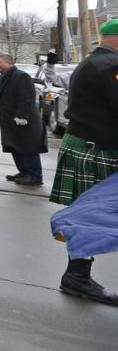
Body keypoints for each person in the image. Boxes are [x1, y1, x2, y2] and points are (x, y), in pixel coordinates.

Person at [49, 17, 118, 304]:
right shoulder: (109, 66)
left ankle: (76, 276)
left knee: (91, 216)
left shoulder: (94, 62)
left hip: (88, 146)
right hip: (96, 149)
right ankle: (77, 277)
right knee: (92, 217)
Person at [0, 54, 47, 186]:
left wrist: (22, 116)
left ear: (9, 62)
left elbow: (27, 97)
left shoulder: (21, 76)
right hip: (11, 120)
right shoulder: (5, 76)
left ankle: (34, 176)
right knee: (15, 146)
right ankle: (24, 172)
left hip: (24, 120)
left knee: (28, 147)